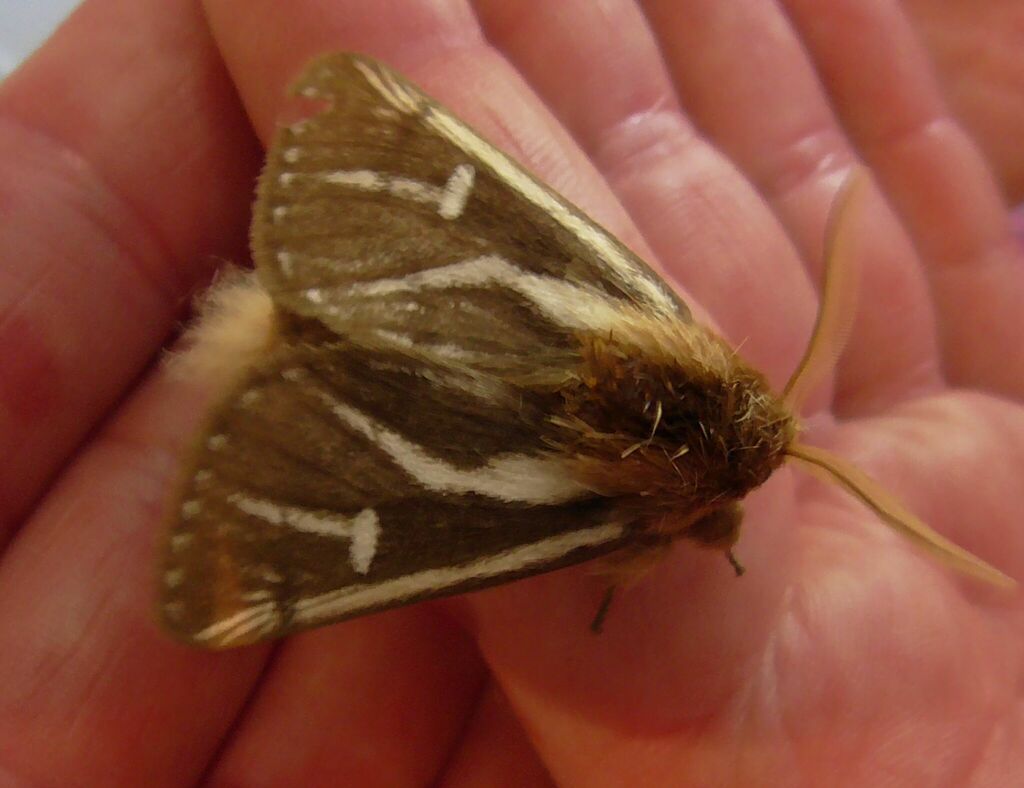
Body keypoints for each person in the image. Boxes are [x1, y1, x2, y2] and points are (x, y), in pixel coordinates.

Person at [0, 0, 1021, 784]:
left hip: (415, 267)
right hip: (401, 453)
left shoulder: (642, 305)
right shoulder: (633, 514)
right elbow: (662, 541)